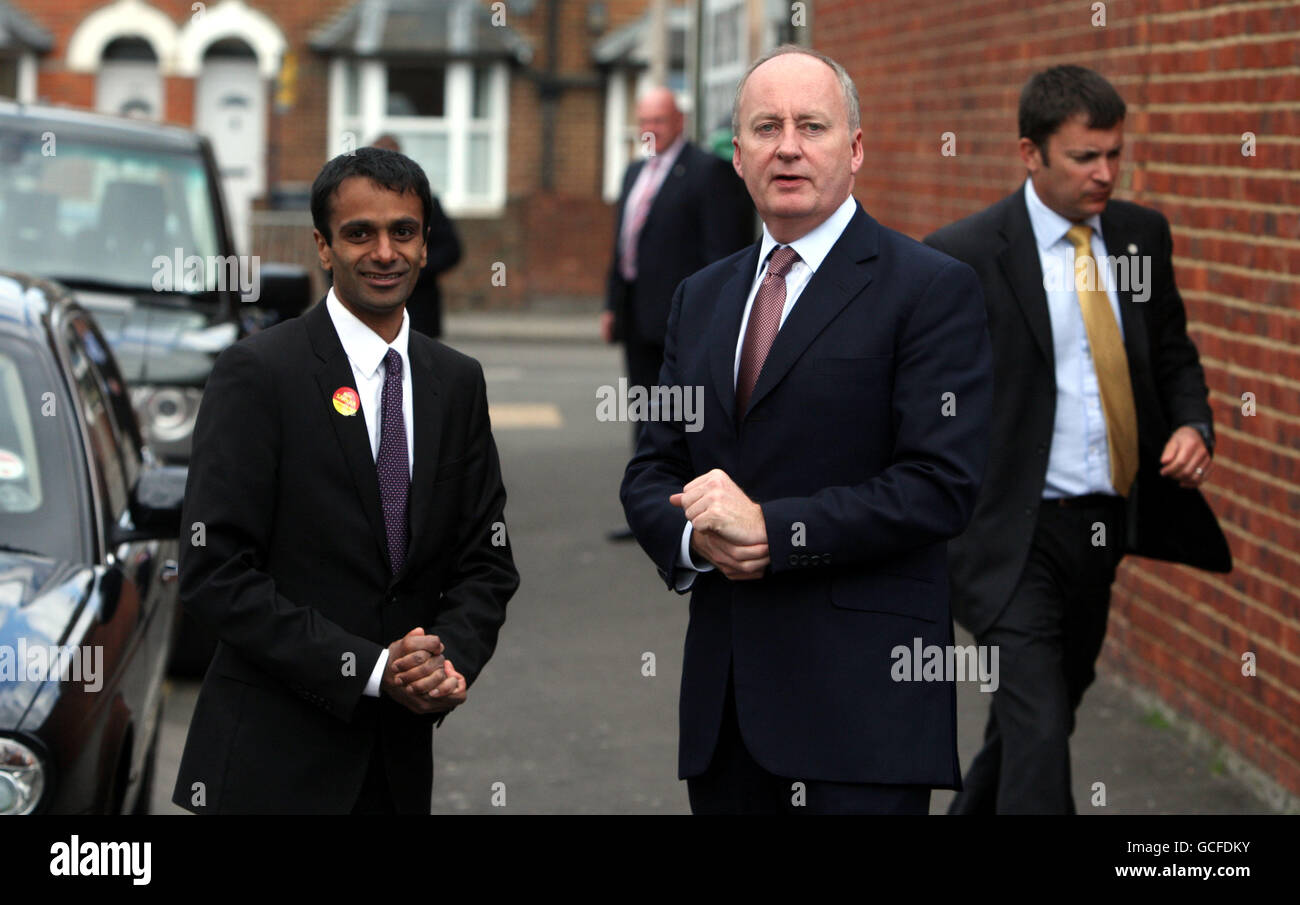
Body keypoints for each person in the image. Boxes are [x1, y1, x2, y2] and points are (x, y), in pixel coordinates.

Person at [620, 46, 993, 815]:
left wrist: (775, 531)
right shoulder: (699, 297)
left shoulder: (931, 288)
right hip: (727, 717)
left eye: (811, 126)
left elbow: (940, 484)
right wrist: (697, 539)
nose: (787, 145)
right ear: (737, 155)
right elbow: (651, 470)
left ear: (854, 149)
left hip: (863, 714)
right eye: (765, 127)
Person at [172, 148, 519, 814]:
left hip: (395, 771)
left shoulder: (456, 381)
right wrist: (370, 667)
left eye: (403, 232)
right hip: (269, 772)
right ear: (323, 247)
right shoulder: (258, 375)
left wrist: (446, 662)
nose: (384, 251)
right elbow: (214, 572)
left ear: (425, 245)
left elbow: (487, 561)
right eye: (360, 233)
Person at [924, 65, 1231, 814]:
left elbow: (1171, 351)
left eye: (1114, 155)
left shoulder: (1139, 236)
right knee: (1038, 723)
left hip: (1100, 525)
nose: (1105, 174)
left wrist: (1195, 425)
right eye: (1084, 158)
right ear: (1030, 154)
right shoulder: (964, 255)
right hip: (1007, 533)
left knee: (1049, 704)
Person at [604, 87, 753, 539]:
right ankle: (647, 505)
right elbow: (624, 245)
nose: (650, 130)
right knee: (644, 411)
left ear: (679, 123)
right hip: (636, 316)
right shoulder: (634, 172)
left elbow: (720, 252)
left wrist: (712, 319)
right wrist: (612, 304)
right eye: (644, 121)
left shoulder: (707, 172)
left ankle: (690, 510)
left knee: (686, 416)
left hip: (682, 321)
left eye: (659, 121)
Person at [370, 133, 461, 338]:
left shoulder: (424, 202)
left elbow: (451, 250)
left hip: (418, 310)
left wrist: (414, 269)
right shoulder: (356, 206)